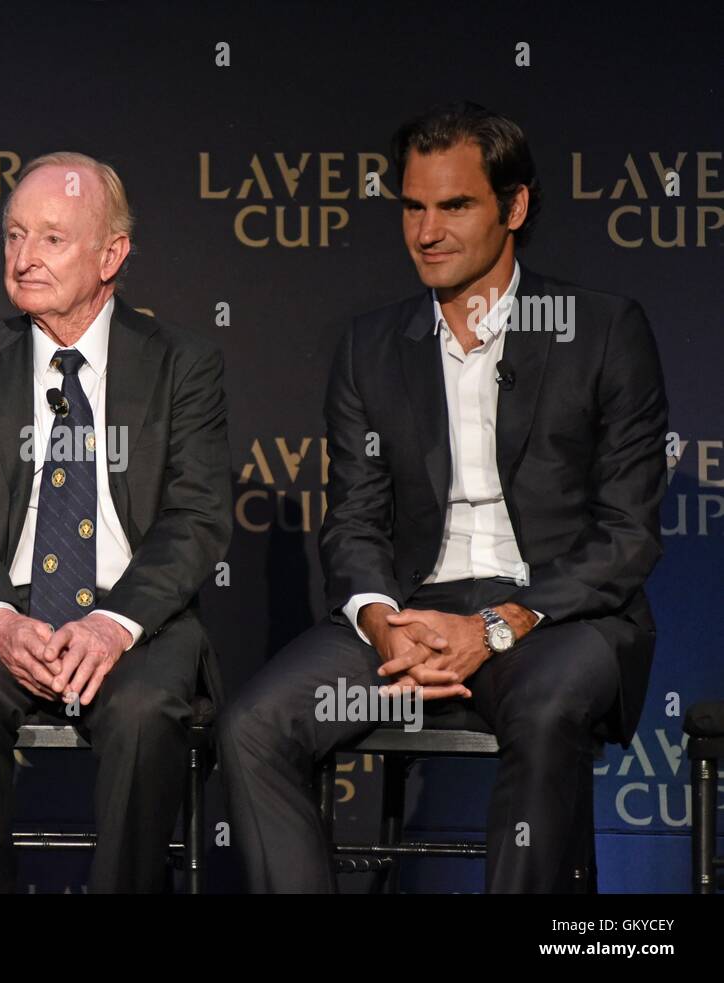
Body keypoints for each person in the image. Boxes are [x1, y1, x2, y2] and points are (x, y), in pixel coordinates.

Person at [219, 101, 669, 893]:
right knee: (256, 726)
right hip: (413, 615)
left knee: (547, 712)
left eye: (455, 205)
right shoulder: (369, 348)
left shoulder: (601, 331)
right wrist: (381, 620)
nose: (427, 231)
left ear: (515, 206)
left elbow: (628, 535)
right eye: (413, 206)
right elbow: (355, 517)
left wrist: (495, 625)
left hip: (554, 619)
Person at [0, 152, 232, 892]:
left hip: (131, 612)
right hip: (3, 608)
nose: (23, 258)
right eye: (14, 236)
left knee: (148, 710)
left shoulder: (184, 363)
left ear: (111, 254)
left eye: (51, 238)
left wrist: (114, 623)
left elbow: (196, 518)